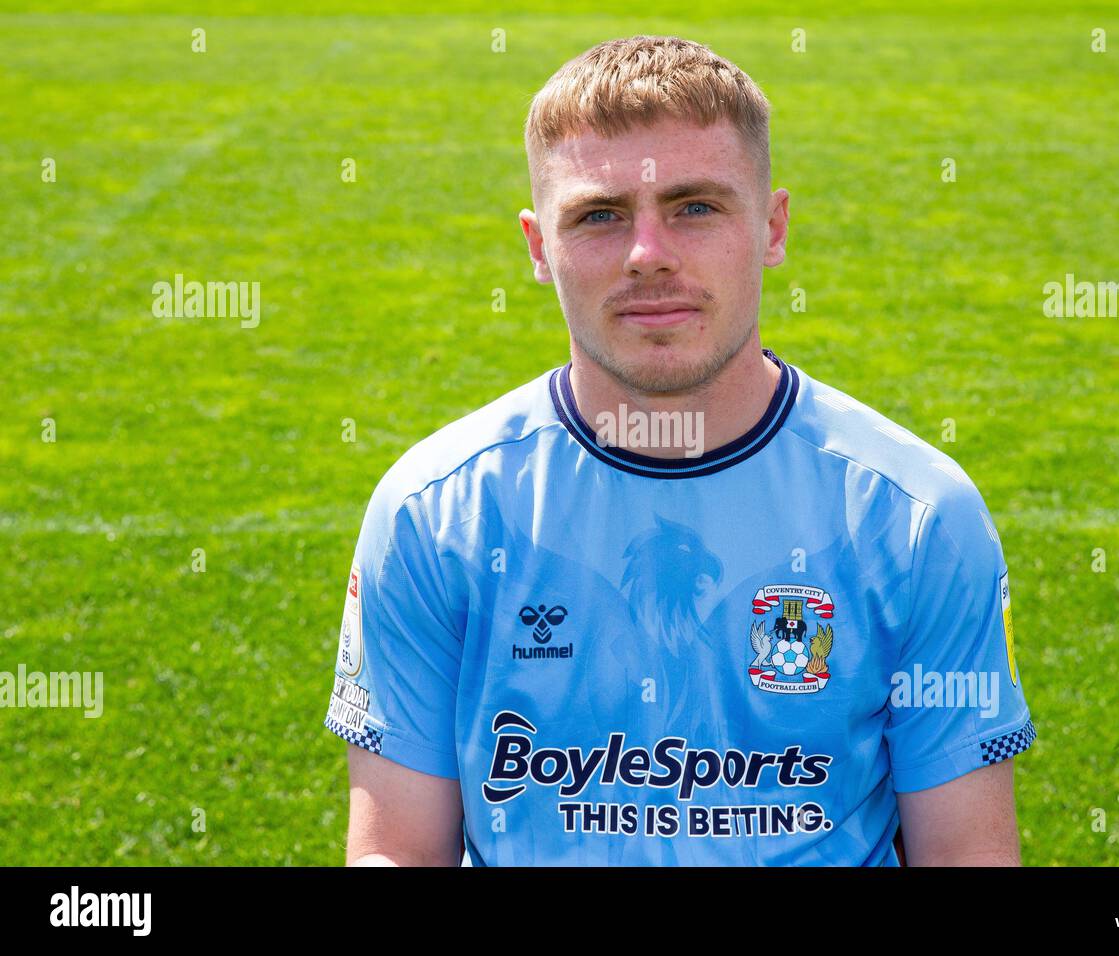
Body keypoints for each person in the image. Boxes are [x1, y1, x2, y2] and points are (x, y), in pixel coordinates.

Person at [324, 34, 1036, 866]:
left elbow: (966, 855)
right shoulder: (433, 513)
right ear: (537, 248)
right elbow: (397, 852)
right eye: (599, 215)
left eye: (696, 207)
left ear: (771, 229)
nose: (648, 256)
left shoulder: (916, 517)